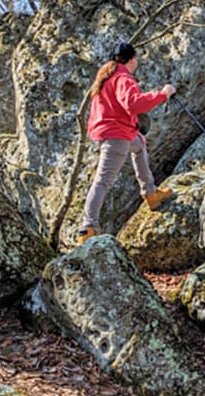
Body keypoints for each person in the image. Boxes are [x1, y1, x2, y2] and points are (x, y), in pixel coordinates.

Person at [76, 41, 178, 245]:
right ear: (132, 60)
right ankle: (87, 227)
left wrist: (135, 132)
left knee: (139, 145)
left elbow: (115, 111)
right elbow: (133, 105)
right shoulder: (123, 78)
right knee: (103, 181)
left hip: (115, 133)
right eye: (136, 59)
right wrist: (163, 94)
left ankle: (150, 193)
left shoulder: (106, 79)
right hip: (116, 137)